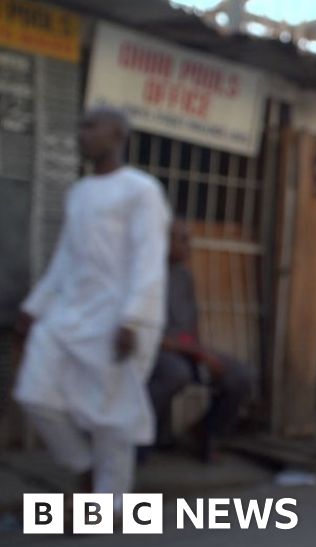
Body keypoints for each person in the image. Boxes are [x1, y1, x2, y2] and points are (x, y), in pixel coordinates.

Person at [14, 107, 170, 512]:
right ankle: (82, 465)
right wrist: (35, 308)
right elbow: (66, 257)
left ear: (116, 134)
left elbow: (148, 258)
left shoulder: (141, 189)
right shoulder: (79, 192)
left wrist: (134, 317)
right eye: (80, 125)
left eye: (90, 126)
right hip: (71, 313)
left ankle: (108, 506)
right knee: (35, 393)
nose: (81, 134)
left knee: (112, 416)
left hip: (119, 317)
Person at [147, 221, 255, 462]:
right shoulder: (145, 276)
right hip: (154, 350)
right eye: (182, 240)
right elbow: (149, 333)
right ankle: (139, 444)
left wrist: (201, 354)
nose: (189, 246)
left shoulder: (184, 276)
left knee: (240, 375)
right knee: (176, 373)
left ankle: (206, 434)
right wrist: (195, 353)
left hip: (186, 349)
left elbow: (189, 326)